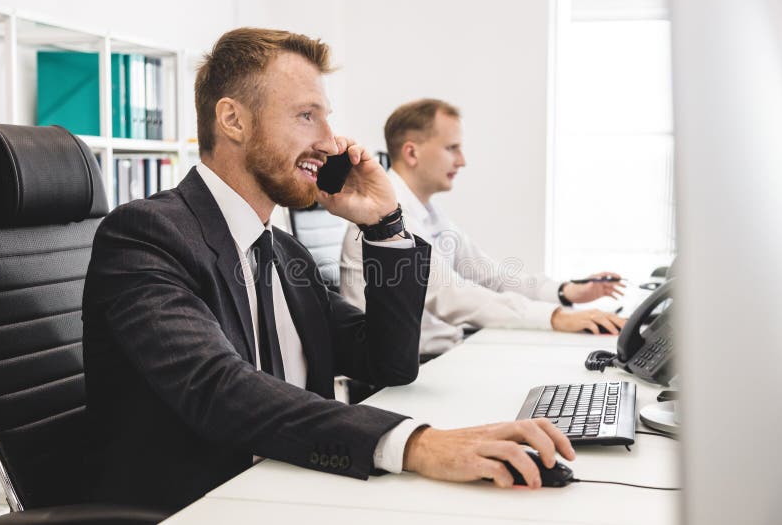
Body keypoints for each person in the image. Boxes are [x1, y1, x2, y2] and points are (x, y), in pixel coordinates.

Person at [82, 29, 574, 512]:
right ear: (233, 120)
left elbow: (389, 363)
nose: (329, 141)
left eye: (326, 118)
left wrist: (385, 226)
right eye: (306, 116)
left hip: (298, 487)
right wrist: (415, 444)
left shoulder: (283, 252)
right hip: (200, 506)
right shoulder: (146, 235)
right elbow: (217, 387)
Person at [341, 99, 626, 355]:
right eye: (452, 148)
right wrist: (555, 317)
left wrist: (563, 292)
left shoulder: (428, 212)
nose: (462, 161)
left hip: (440, 356)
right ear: (412, 153)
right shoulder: (385, 216)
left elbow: (492, 277)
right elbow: (450, 296)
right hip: (403, 372)